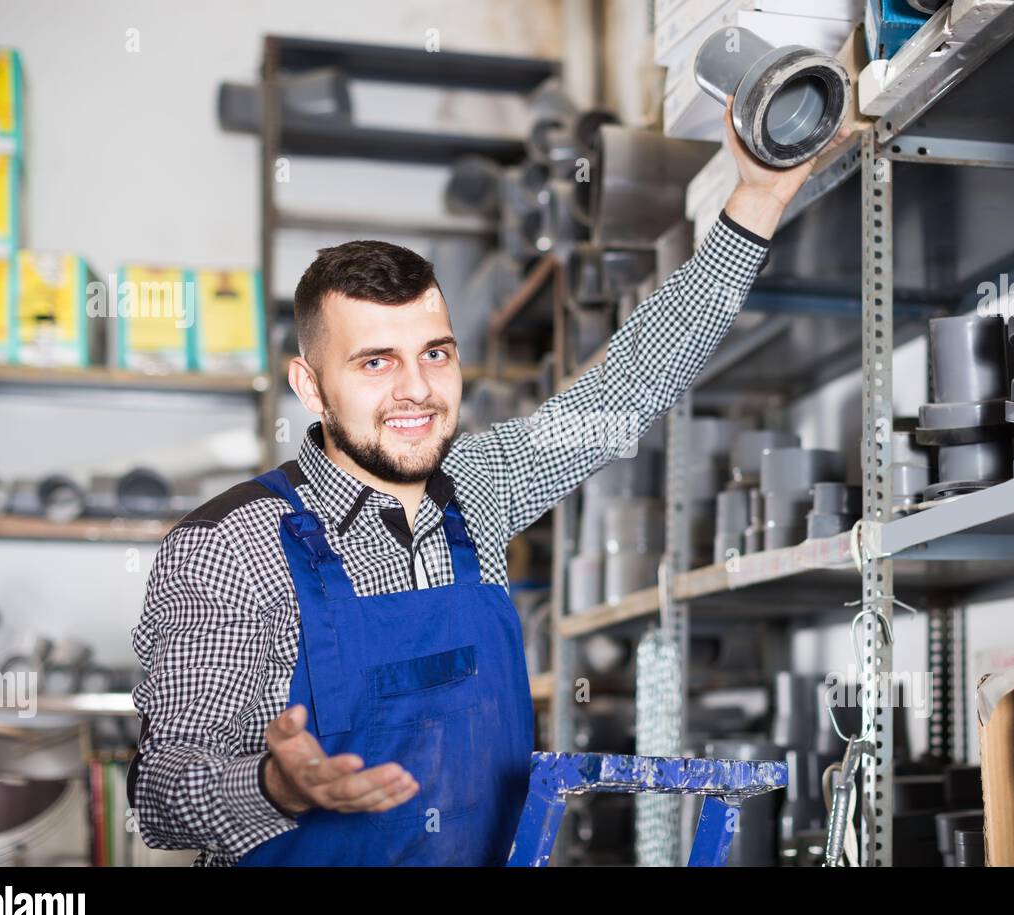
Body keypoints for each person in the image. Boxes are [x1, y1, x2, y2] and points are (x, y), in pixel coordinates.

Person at [128, 103, 851, 866]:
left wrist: (760, 199)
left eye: (435, 354)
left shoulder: (480, 486)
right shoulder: (230, 546)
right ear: (310, 386)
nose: (416, 390)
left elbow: (634, 381)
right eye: (375, 362)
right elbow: (164, 796)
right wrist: (276, 785)